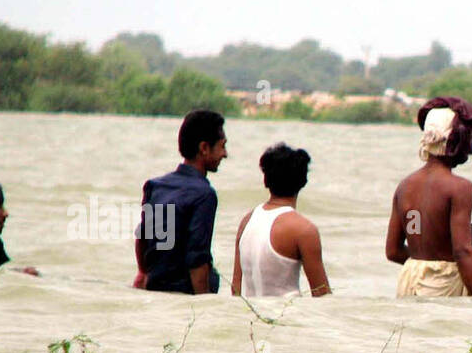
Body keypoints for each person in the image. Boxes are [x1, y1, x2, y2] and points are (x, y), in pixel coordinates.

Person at [386, 96, 472, 297]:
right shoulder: (460, 188)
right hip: (443, 284)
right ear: (455, 139)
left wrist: (425, 258)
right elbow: (462, 251)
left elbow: (393, 251)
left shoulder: (405, 186)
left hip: (408, 279)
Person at [134, 109, 227, 293]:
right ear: (204, 148)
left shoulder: (157, 186)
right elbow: (197, 259)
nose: (225, 154)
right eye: (222, 146)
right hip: (182, 289)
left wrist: (143, 273)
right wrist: (204, 308)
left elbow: (143, 238)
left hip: (155, 284)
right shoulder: (204, 195)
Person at [231, 143, 330, 298]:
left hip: (249, 317)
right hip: (286, 318)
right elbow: (322, 294)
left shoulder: (247, 220)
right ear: (303, 181)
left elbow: (235, 290)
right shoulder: (303, 229)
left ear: (266, 181)